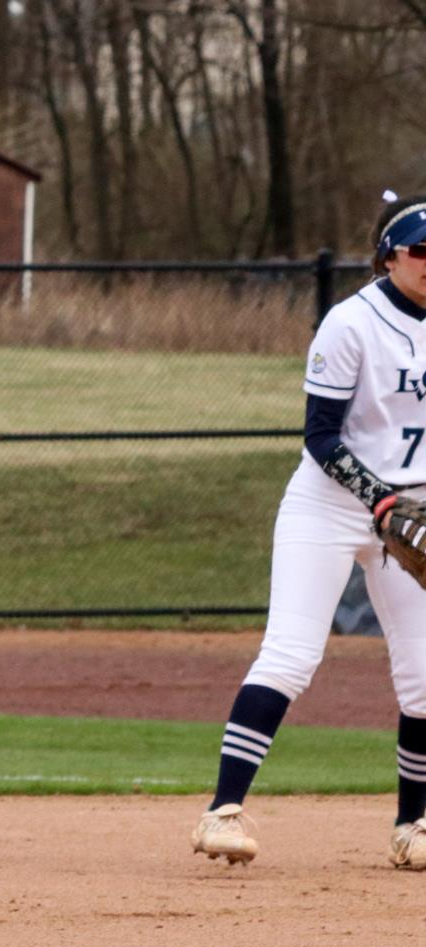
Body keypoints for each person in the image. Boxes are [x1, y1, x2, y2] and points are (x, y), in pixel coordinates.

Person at [193, 191, 426, 868]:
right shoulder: (350, 324)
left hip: (413, 514)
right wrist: (378, 500)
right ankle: (222, 812)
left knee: (423, 677)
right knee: (293, 654)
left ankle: (412, 826)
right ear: (389, 257)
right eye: (420, 252)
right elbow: (321, 436)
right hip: (330, 505)